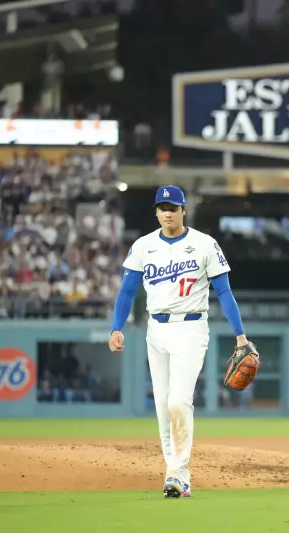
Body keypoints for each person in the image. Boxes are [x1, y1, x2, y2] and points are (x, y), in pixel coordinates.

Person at [108, 185, 250, 498]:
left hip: (191, 328)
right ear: (156, 212)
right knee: (162, 407)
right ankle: (172, 472)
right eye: (162, 208)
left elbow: (224, 291)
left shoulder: (204, 244)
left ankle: (179, 473)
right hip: (156, 330)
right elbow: (127, 291)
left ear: (184, 210)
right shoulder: (144, 246)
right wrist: (117, 327)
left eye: (173, 208)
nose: (168, 213)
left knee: (178, 401)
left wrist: (240, 335)